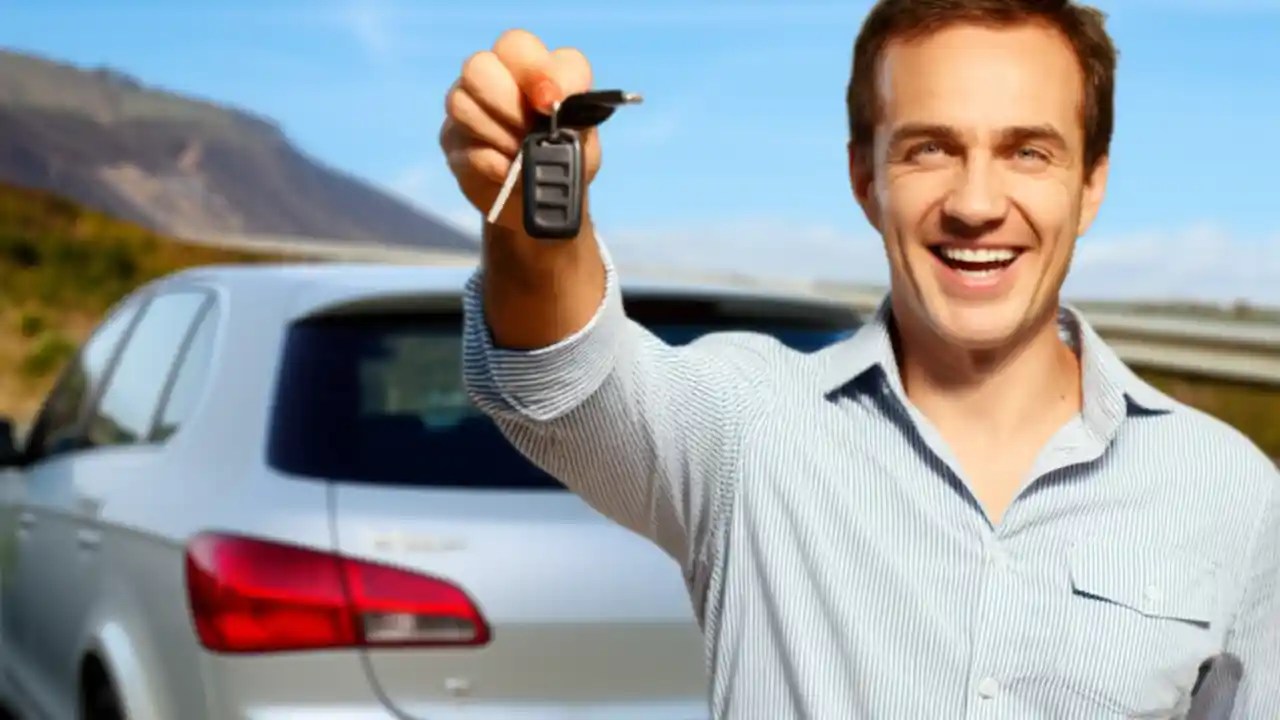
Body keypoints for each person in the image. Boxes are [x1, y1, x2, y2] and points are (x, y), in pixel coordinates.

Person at [440, 0, 1279, 717]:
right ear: (864, 179)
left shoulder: (1232, 496)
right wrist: (529, 213)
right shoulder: (747, 432)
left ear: (1091, 184)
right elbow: (559, 378)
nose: (977, 204)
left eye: (1028, 151)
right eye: (929, 149)